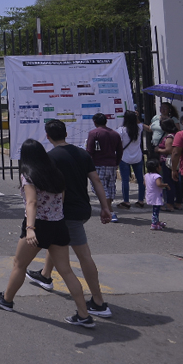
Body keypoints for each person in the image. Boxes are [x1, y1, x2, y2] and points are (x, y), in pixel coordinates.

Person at [0, 139, 94, 328]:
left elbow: (32, 202)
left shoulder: (29, 175)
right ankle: (84, 314)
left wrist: (30, 228)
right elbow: (62, 197)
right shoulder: (56, 173)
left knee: (19, 265)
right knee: (66, 270)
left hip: (38, 225)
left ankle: (7, 299)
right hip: (59, 224)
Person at [25, 119, 114, 318]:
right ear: (66, 133)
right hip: (82, 209)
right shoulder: (83, 153)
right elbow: (96, 180)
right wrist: (105, 207)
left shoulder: (50, 157)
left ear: (47, 137)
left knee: (84, 256)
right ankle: (46, 275)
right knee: (58, 242)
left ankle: (98, 302)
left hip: (66, 212)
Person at [85, 113, 122, 222]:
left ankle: (109, 211)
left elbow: (89, 151)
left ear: (95, 122)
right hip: (111, 164)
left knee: (100, 188)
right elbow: (120, 150)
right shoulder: (115, 134)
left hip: (98, 164)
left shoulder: (94, 133)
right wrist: (117, 162)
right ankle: (108, 209)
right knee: (110, 188)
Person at [116, 111, 152, 209]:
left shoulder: (122, 130)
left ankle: (126, 201)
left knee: (125, 180)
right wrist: (136, 117)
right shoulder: (139, 128)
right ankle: (141, 200)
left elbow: (118, 143)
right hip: (137, 157)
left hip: (125, 157)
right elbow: (146, 127)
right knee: (140, 180)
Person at [156, 119, 183, 211]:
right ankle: (178, 202)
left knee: (169, 182)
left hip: (168, 161)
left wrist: (158, 150)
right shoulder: (178, 134)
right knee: (177, 182)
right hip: (178, 161)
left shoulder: (169, 137)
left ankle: (169, 203)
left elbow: (169, 150)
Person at [144, 158, 167, 230]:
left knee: (155, 208)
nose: (160, 167)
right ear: (156, 168)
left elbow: (144, 183)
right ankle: (154, 223)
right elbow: (159, 184)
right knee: (156, 210)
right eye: (159, 165)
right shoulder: (157, 176)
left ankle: (156, 221)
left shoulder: (146, 175)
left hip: (149, 194)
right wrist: (166, 185)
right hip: (156, 196)